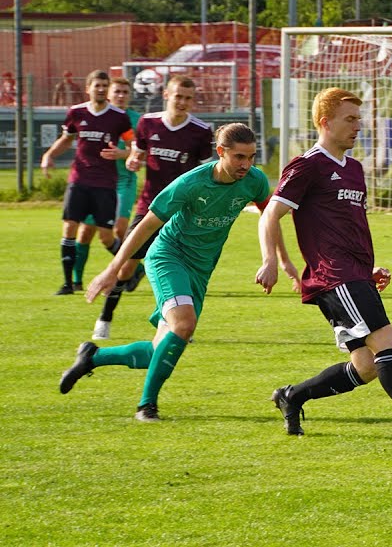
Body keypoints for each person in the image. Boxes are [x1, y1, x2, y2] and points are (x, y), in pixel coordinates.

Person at [258, 88, 392, 442]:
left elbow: (348, 226)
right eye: (350, 119)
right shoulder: (308, 165)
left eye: (359, 119)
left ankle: (293, 396)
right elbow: (271, 214)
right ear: (325, 122)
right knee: (386, 340)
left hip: (353, 273)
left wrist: (368, 268)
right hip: (333, 275)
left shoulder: (353, 169)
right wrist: (272, 261)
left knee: (365, 367)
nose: (358, 126)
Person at [60, 124, 287, 422]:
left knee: (161, 349)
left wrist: (274, 260)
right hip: (169, 256)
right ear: (220, 153)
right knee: (184, 325)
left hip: (201, 268)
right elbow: (146, 225)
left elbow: (269, 216)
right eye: (239, 157)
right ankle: (146, 405)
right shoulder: (191, 183)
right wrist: (113, 269)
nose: (246, 164)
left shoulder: (254, 181)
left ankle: (93, 357)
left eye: (251, 157)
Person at [90, 75, 214, 340]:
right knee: (126, 267)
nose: (182, 102)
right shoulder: (148, 123)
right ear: (166, 95)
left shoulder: (201, 131)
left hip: (184, 211)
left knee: (184, 269)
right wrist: (133, 161)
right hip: (150, 206)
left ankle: (177, 323)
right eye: (178, 96)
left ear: (193, 101)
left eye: (188, 98)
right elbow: (137, 154)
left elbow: (206, 172)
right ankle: (105, 318)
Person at [40, 70, 135, 295]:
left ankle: (133, 269)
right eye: (97, 85)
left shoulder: (119, 117)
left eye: (104, 85)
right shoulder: (76, 112)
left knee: (105, 235)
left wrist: (122, 155)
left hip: (105, 182)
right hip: (79, 179)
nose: (101, 89)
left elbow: (132, 147)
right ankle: (68, 284)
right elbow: (67, 138)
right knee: (70, 227)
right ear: (88, 88)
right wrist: (49, 155)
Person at [73, 78, 141, 298]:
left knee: (121, 229)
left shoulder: (136, 120)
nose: (121, 95)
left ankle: (127, 270)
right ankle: (74, 283)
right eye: (117, 91)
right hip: (97, 182)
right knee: (85, 232)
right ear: (108, 94)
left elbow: (143, 152)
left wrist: (124, 155)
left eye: (125, 92)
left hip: (123, 181)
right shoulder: (99, 117)